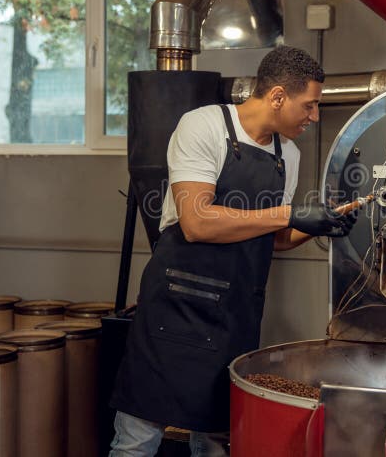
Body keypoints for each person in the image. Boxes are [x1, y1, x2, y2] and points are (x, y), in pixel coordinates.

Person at [109, 46, 358, 456]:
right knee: (137, 439)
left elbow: (272, 237)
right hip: (176, 312)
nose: (314, 116)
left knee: (215, 442)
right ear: (277, 96)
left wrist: (317, 228)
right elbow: (197, 221)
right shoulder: (204, 125)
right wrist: (290, 214)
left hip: (234, 316)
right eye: (309, 105)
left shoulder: (287, 155)